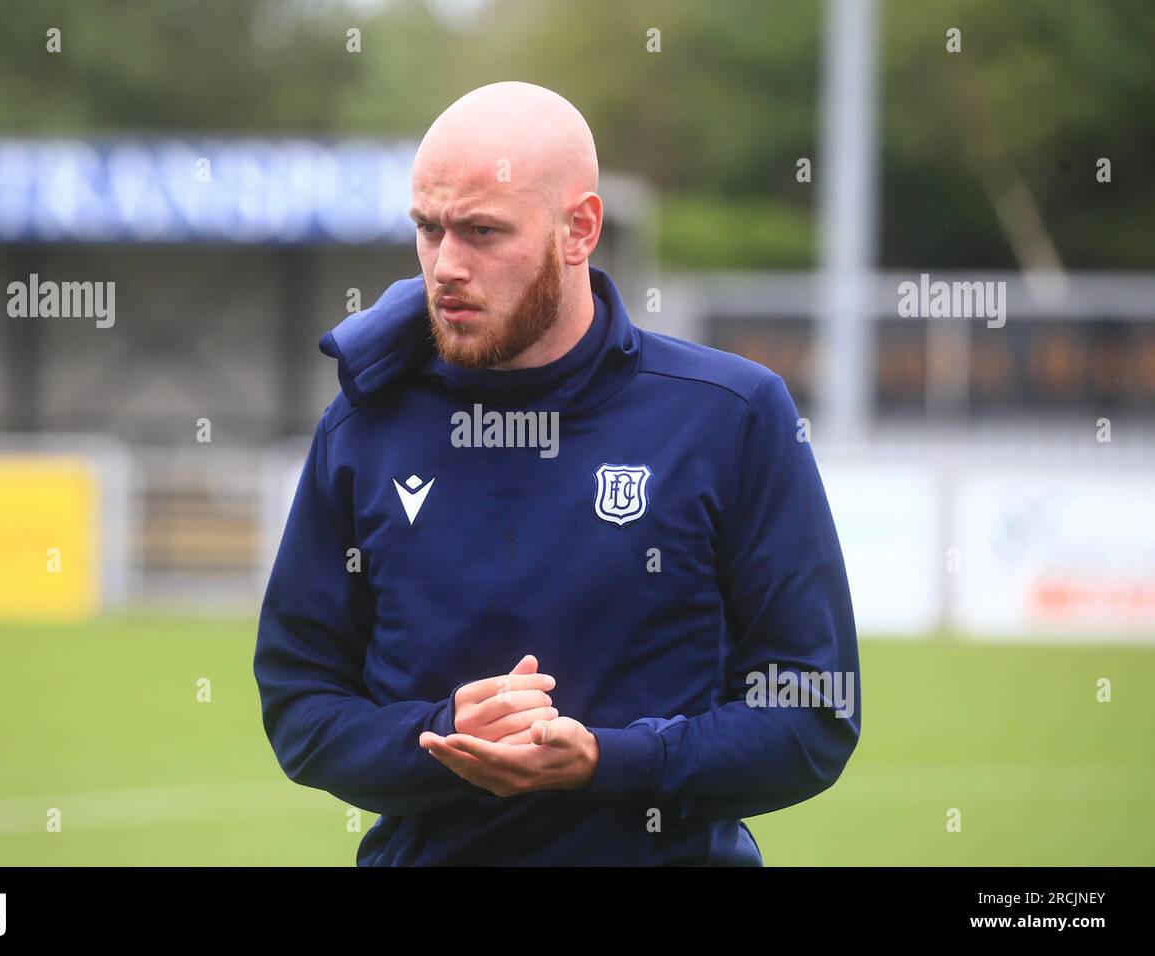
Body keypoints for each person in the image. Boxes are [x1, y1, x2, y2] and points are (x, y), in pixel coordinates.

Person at [254, 81, 860, 865]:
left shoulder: (730, 416)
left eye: (481, 232)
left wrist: (611, 762)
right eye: (428, 230)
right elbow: (300, 704)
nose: (445, 267)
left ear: (579, 229)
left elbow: (813, 715)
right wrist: (438, 734)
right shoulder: (364, 425)